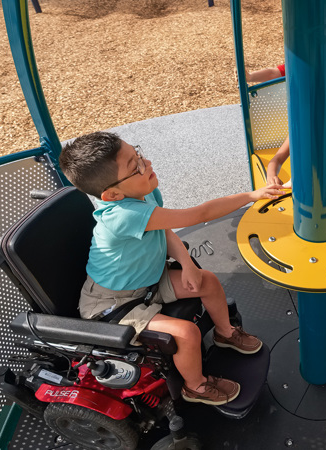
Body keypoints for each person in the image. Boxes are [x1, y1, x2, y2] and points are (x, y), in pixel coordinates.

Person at [59, 132, 283, 405]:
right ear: (113, 194)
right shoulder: (122, 215)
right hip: (113, 302)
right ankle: (195, 387)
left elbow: (162, 228)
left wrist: (187, 263)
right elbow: (198, 215)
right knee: (186, 333)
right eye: (136, 166)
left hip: (147, 281)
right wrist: (251, 195)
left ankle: (226, 333)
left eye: (138, 154)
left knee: (207, 281)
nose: (147, 163)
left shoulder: (143, 192)